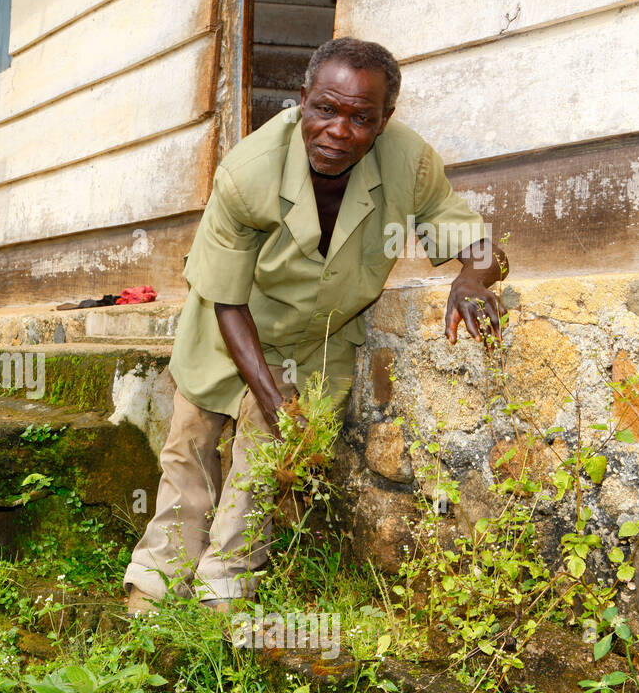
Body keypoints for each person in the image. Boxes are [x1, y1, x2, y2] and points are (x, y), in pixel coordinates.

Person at [125, 37, 509, 615]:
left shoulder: (409, 162)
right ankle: (154, 588)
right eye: (325, 109)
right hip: (230, 328)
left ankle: (220, 600)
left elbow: (481, 246)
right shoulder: (246, 173)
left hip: (317, 342)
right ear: (302, 100)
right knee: (191, 452)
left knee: (258, 472)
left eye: (361, 118)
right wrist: (268, 393)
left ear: (385, 121)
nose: (339, 130)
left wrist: (472, 279)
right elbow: (228, 301)